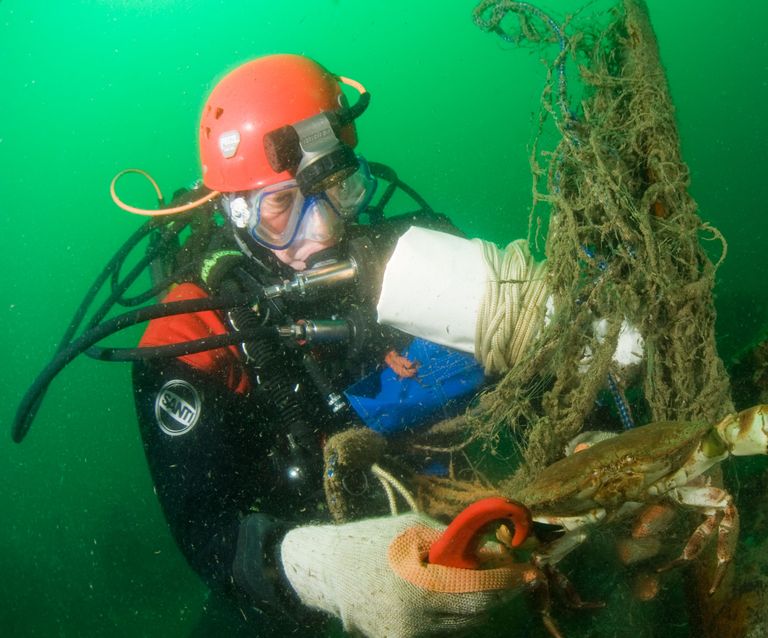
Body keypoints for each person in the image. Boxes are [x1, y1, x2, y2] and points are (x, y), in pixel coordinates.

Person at [130, 54, 545, 637]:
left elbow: (530, 328)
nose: (323, 231)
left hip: (448, 531)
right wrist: (327, 571)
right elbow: (207, 535)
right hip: (282, 586)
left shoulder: (401, 259)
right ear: (237, 210)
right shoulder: (188, 336)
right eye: (283, 206)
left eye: (338, 189)